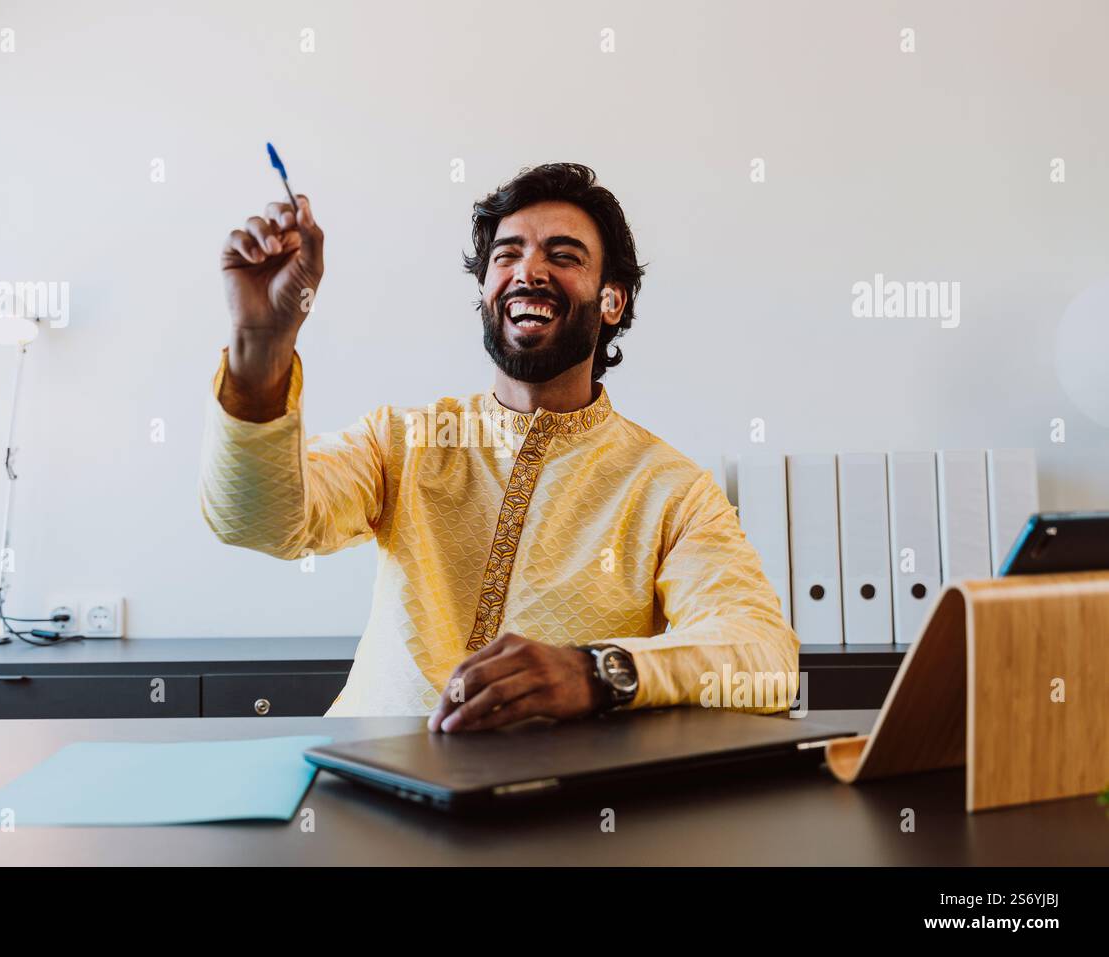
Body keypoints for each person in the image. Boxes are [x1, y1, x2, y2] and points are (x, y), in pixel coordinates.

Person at [200, 163, 798, 732]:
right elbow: (254, 519)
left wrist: (598, 672)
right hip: (367, 788)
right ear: (487, 290)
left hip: (553, 814)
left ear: (612, 301)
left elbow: (765, 658)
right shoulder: (401, 442)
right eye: (506, 255)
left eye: (563, 256)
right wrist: (261, 347)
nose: (527, 271)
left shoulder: (670, 491)